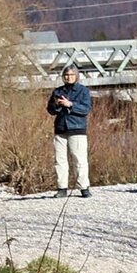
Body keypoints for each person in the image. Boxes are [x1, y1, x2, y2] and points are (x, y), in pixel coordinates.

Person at [47, 65, 93, 198]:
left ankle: (84, 187)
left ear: (77, 76)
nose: (69, 77)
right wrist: (56, 105)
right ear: (63, 76)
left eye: (72, 75)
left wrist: (70, 104)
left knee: (79, 159)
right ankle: (62, 188)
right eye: (66, 75)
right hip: (60, 129)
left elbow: (85, 109)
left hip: (77, 129)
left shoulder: (83, 91)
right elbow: (50, 110)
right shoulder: (57, 91)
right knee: (59, 160)